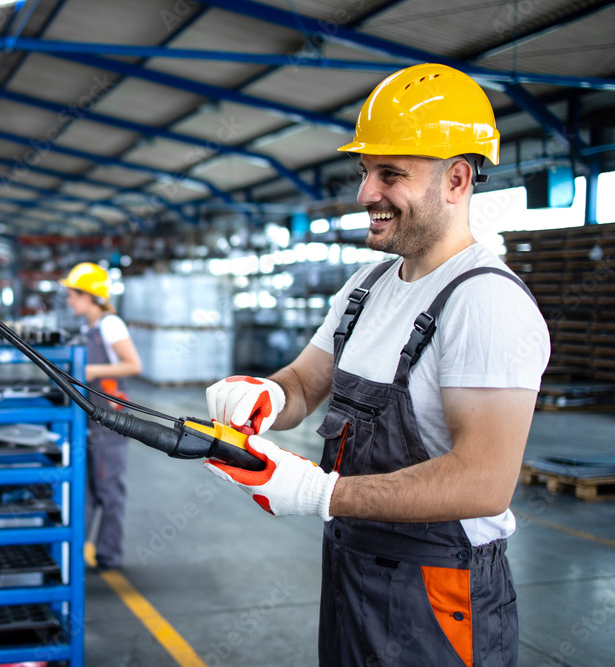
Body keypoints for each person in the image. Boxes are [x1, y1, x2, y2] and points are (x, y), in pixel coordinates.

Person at [204, 63, 550, 667]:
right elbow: (308, 381)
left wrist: (320, 491)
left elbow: (484, 480)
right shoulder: (366, 286)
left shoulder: (483, 301)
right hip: (351, 569)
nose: (366, 194)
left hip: (437, 595)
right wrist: (266, 396)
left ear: (457, 180)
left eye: (391, 174)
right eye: (366, 172)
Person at [62, 262, 142, 571]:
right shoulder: (90, 328)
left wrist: (92, 371)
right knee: (88, 489)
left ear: (89, 296)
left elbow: (133, 364)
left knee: (108, 489)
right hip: (91, 418)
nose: (69, 301)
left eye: (73, 294)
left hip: (110, 421)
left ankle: (109, 556)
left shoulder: (111, 325)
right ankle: (79, 551)